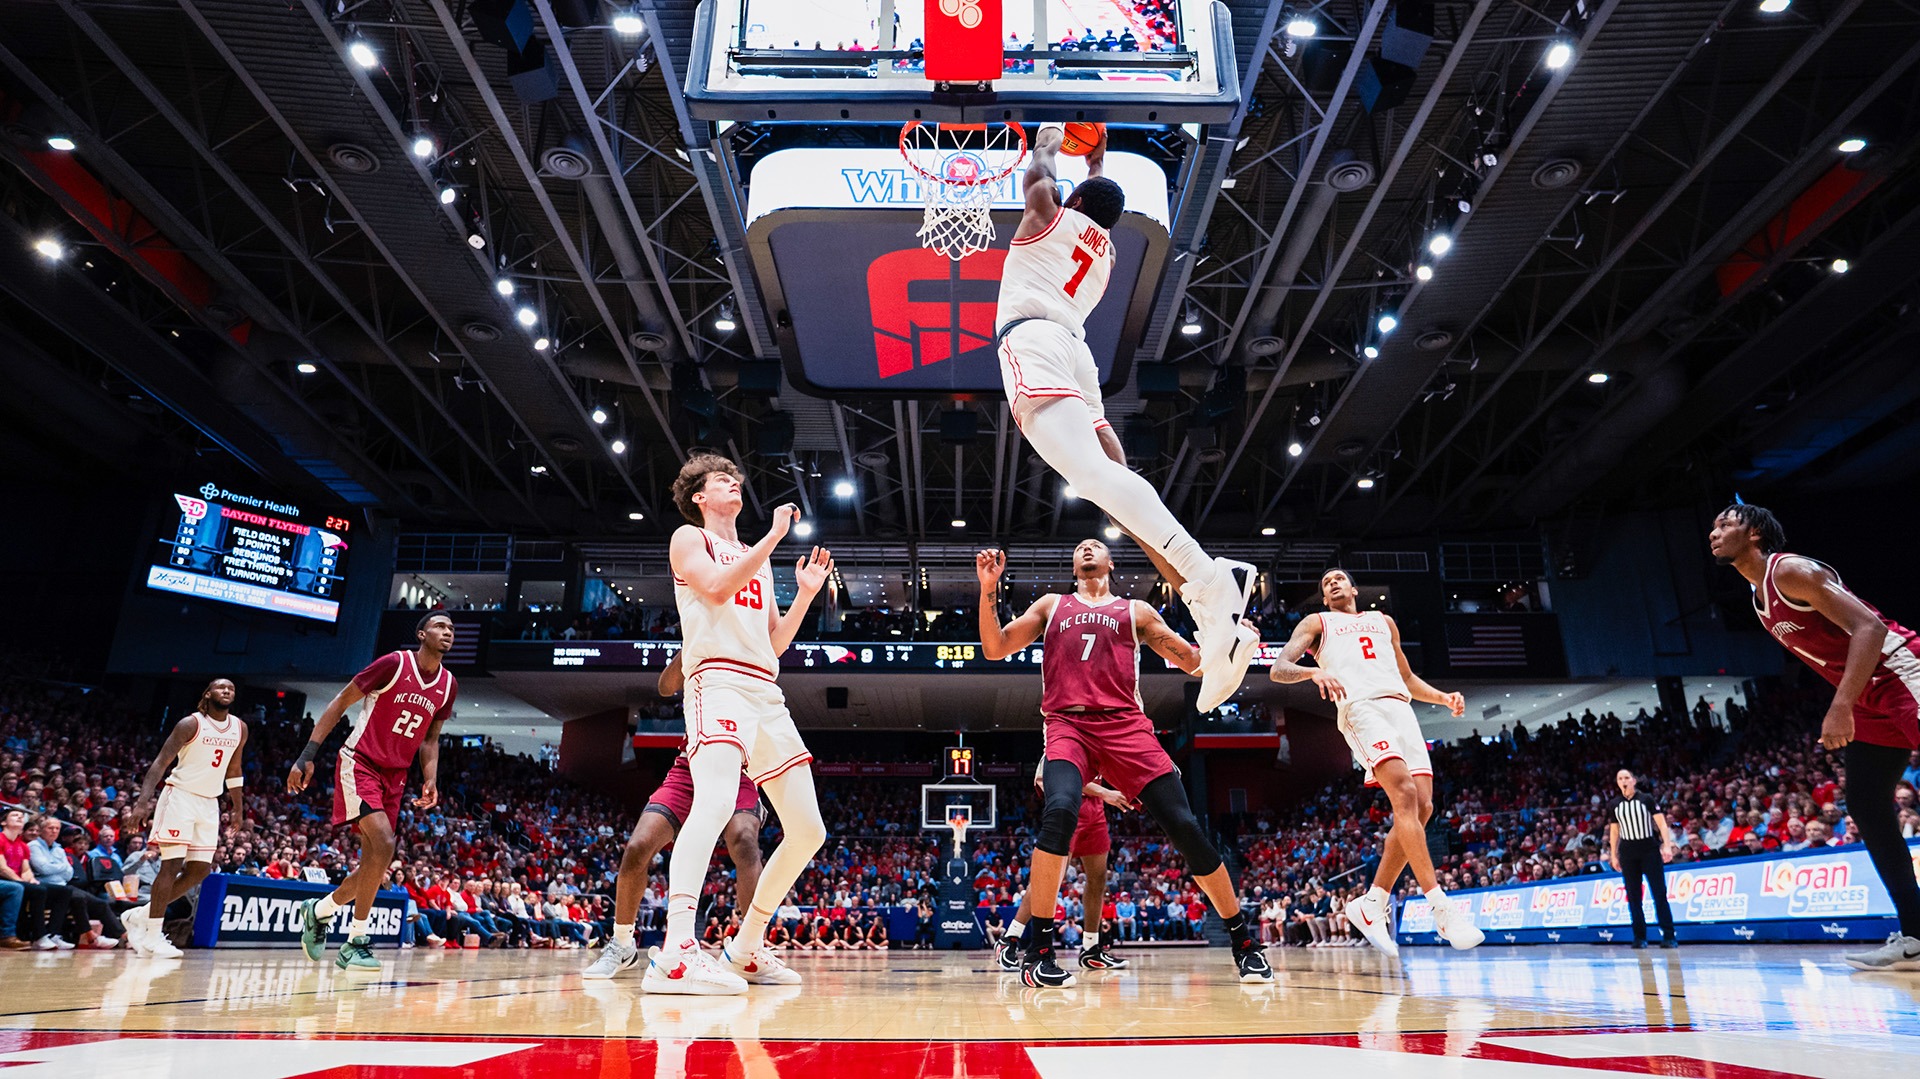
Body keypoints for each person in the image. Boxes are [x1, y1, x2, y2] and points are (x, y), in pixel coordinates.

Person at [994, 122, 1259, 713]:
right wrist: (1089, 158)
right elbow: (1064, 189)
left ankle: (1212, 583)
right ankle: (1203, 596)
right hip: (1073, 350)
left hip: (1036, 341)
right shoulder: (1105, 248)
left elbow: (1040, 178)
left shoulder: (1052, 220)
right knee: (1115, 483)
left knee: (1092, 478)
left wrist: (1048, 141)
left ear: (1077, 202)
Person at [978, 540, 1272, 987]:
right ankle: (1038, 952)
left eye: (1096, 545)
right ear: (1073, 564)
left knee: (1184, 826)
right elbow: (995, 647)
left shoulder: (1136, 611)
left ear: (1110, 562)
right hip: (1067, 726)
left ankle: (1243, 943)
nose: (1088, 549)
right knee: (1058, 811)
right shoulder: (1052, 605)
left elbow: (1193, 663)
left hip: (1125, 728)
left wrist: (1230, 636)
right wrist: (987, 591)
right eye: (1079, 547)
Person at [647, 453, 831, 995]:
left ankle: (745, 948)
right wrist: (772, 537)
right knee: (716, 802)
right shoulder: (690, 538)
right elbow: (718, 589)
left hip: (764, 691)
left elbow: (774, 641)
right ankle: (676, 953)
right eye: (721, 478)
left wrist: (804, 596)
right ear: (700, 497)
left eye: (736, 476)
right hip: (718, 681)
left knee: (808, 830)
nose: (735, 481)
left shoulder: (759, 558)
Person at [1710, 502, 1920, 972]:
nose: (1714, 532)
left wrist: (1841, 705)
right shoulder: (1758, 597)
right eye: (1713, 526)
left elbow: (1870, 626)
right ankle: (1916, 936)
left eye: (1726, 523)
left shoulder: (1791, 571)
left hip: (1902, 671)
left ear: (1756, 534)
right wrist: (1853, 701)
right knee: (1866, 804)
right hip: (1870, 696)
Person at [1269, 568, 1482, 958]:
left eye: (1338, 578)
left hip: (1399, 707)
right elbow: (1279, 668)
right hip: (1360, 707)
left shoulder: (1383, 622)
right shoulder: (1318, 622)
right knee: (1402, 793)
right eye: (1325, 583)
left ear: (1353, 588)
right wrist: (1314, 671)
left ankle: (1372, 902)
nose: (1332, 583)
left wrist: (1443, 698)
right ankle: (1441, 907)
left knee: (1423, 805)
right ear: (1324, 596)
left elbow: (1407, 677)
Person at [286, 612, 459, 970]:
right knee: (383, 844)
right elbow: (341, 701)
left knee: (374, 864)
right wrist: (307, 755)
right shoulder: (394, 663)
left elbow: (430, 739)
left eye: (452, 629)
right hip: (360, 761)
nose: (448, 632)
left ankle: (320, 910)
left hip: (396, 776)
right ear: (421, 633)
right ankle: (356, 940)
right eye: (440, 626)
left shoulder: (447, 684)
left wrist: (431, 777)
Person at [582, 654, 765, 980]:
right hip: (690, 766)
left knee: (746, 841)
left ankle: (750, 949)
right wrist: (692, 643)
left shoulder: (751, 650)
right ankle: (622, 944)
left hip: (739, 768)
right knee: (638, 846)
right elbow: (666, 687)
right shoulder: (702, 644)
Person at [122, 678, 247, 958]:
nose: (227, 691)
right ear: (208, 693)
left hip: (209, 802)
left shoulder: (240, 727)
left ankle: (141, 914)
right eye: (221, 687)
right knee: (171, 865)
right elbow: (160, 762)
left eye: (231, 689)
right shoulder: (190, 724)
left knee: (200, 870)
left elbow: (235, 769)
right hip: (180, 796)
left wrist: (238, 809)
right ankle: (153, 936)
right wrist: (143, 802)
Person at [995, 759, 1132, 972]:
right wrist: (1105, 792)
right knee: (1049, 880)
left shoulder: (1097, 738)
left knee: (1098, 879)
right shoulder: (1058, 737)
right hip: (1067, 809)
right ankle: (1009, 939)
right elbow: (1052, 779)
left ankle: (1091, 948)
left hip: (1095, 812)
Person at [1607, 769, 1677, 949]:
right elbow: (1615, 831)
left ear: (1634, 781)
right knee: (1633, 896)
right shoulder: (1614, 804)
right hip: (1628, 853)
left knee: (1659, 893)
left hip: (1649, 849)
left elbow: (1661, 823)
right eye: (1620, 778)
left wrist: (1666, 845)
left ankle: (1669, 935)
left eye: (1626, 778)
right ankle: (1639, 937)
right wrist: (1613, 854)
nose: (1624, 781)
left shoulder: (1646, 799)